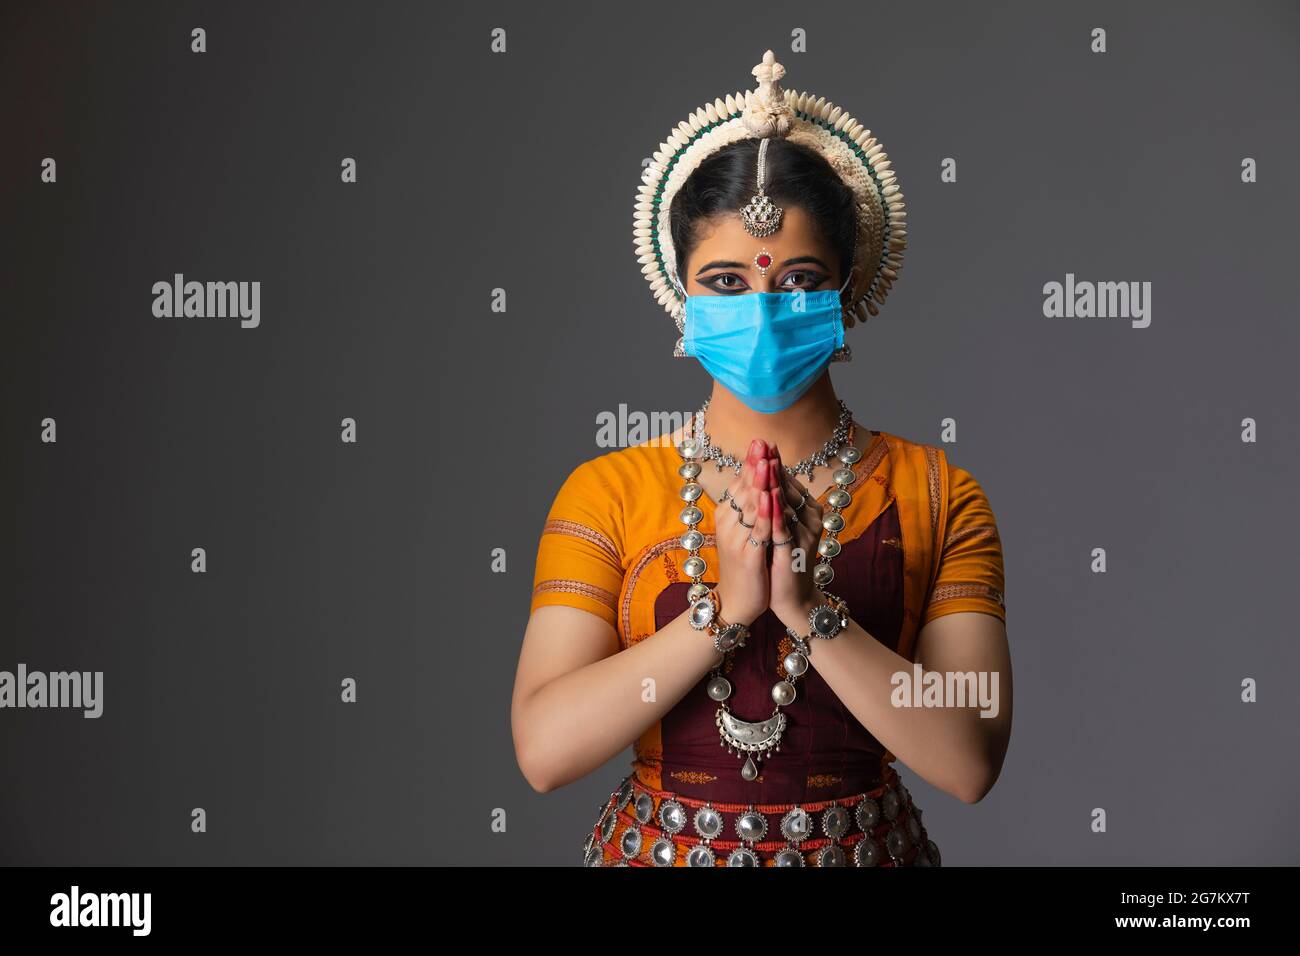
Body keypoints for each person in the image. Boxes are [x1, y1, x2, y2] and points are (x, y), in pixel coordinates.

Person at [511, 50, 1011, 866]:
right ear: (680, 290)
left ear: (848, 287)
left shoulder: (937, 493)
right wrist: (728, 612)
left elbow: (968, 761)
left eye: (798, 280)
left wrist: (812, 609)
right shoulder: (607, 492)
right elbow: (543, 751)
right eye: (727, 283)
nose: (765, 312)